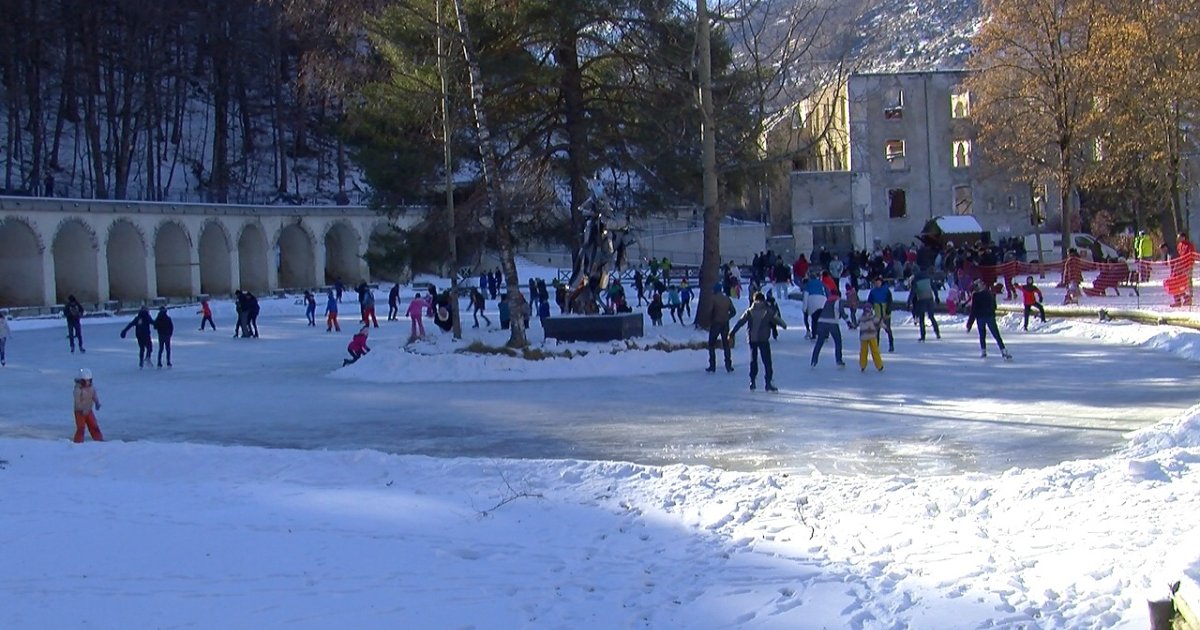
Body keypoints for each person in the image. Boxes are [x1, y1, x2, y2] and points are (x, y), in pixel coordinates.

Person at [730, 292, 787, 391]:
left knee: (753, 360)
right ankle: (768, 383)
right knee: (767, 361)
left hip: (752, 339)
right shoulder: (767, 311)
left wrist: (732, 333)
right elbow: (777, 320)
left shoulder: (749, 311)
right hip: (763, 339)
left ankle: (752, 381)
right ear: (763, 300)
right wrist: (784, 325)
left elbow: (740, 322)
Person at [966, 280, 1011, 359]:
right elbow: (974, 310)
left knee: (990, 334)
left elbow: (975, 310)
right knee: (992, 334)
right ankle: (998, 351)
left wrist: (969, 324)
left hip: (985, 316)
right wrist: (970, 323)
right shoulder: (984, 293)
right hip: (985, 317)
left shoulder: (984, 293)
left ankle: (998, 351)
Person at [810, 290, 848, 368]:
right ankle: (839, 360)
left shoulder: (827, 301)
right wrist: (848, 321)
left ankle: (814, 360)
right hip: (832, 322)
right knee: (838, 341)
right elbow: (841, 312)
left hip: (821, 322)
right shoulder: (838, 301)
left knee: (819, 342)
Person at [705, 283, 736, 373]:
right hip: (725, 323)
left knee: (711, 344)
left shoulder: (713, 299)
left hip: (715, 324)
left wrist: (710, 320)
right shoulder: (727, 299)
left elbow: (709, 312)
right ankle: (728, 365)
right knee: (726, 344)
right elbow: (733, 312)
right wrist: (727, 317)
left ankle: (712, 365)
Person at [72, 368, 104, 443]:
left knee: (94, 426)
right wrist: (81, 409)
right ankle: (78, 443)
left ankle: (99, 440)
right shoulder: (78, 390)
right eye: (85, 381)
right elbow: (77, 402)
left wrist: (97, 403)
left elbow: (94, 395)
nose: (88, 383)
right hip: (80, 412)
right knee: (81, 428)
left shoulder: (91, 388)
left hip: (89, 410)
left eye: (89, 380)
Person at [909, 269, 940, 341]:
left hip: (921, 299)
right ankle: (937, 333)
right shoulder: (928, 277)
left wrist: (909, 301)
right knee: (931, 317)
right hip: (930, 298)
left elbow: (913, 292)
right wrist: (936, 297)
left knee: (921, 318)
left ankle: (923, 336)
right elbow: (934, 288)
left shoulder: (915, 280)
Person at [867, 276, 895, 352]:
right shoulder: (873, 292)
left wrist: (888, 310)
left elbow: (890, 301)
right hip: (877, 313)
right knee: (876, 331)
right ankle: (876, 346)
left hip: (885, 312)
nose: (877, 284)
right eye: (876, 283)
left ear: (881, 283)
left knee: (888, 329)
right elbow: (869, 302)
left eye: (878, 283)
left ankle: (891, 344)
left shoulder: (886, 290)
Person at [857, 304, 884, 372]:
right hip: (872, 336)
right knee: (875, 351)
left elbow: (857, 323)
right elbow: (879, 322)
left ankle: (862, 365)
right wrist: (885, 327)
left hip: (863, 337)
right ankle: (879, 365)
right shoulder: (873, 317)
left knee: (863, 351)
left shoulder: (861, 318)